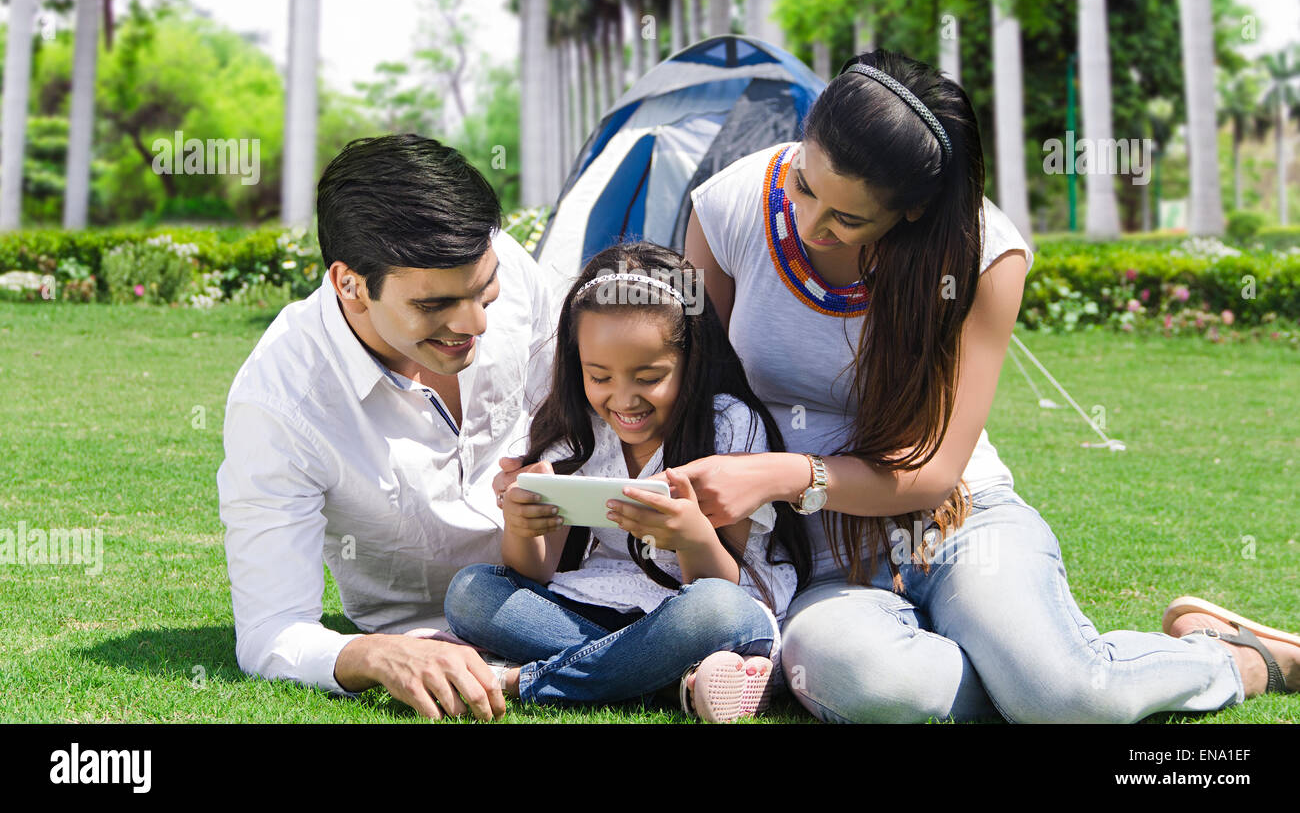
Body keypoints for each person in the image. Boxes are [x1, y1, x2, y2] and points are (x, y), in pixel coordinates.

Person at [645, 48, 1296, 722]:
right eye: (806, 186)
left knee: (1070, 698)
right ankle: (1024, 680)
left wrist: (782, 473)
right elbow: (698, 396)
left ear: (914, 210)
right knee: (863, 680)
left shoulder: (983, 254)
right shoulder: (728, 208)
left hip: (959, 523)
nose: (813, 226)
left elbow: (931, 471)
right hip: (814, 559)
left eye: (849, 219)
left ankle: (1231, 658)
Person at [217, 133, 557, 722]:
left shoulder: (502, 267)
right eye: (435, 305)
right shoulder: (279, 403)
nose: (474, 322)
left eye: (484, 289)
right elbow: (271, 631)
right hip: (438, 629)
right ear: (349, 283)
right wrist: (377, 656)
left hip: (587, 579)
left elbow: (590, 412)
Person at [446, 242, 811, 722]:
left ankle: (523, 680)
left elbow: (721, 583)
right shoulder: (575, 428)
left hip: (701, 608)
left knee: (717, 610)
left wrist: (691, 535)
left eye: (649, 377)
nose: (624, 400)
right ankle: (669, 682)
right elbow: (533, 572)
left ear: (690, 360)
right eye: (600, 376)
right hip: (599, 604)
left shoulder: (728, 424)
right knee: (470, 592)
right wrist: (521, 524)